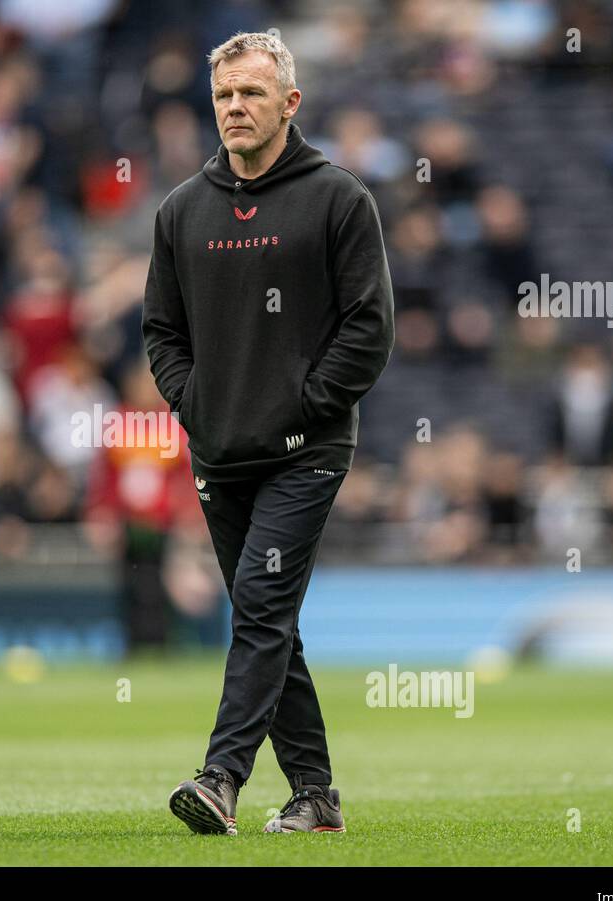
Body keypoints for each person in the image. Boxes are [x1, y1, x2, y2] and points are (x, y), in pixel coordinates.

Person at [142, 32, 394, 835]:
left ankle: (221, 777)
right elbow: (160, 331)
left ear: (290, 103)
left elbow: (370, 325)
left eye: (251, 93)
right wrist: (197, 404)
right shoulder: (181, 210)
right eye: (223, 96)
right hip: (220, 453)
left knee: (256, 603)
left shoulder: (338, 198)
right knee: (268, 619)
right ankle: (316, 798)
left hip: (307, 454)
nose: (235, 108)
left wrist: (309, 404)